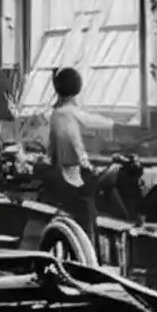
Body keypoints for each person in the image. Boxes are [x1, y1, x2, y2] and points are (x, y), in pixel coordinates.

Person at [42, 67, 113, 244]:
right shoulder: (67, 113)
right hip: (71, 176)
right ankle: (90, 245)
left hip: (63, 172)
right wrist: (86, 163)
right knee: (91, 203)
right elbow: (75, 143)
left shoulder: (58, 113)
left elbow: (51, 149)